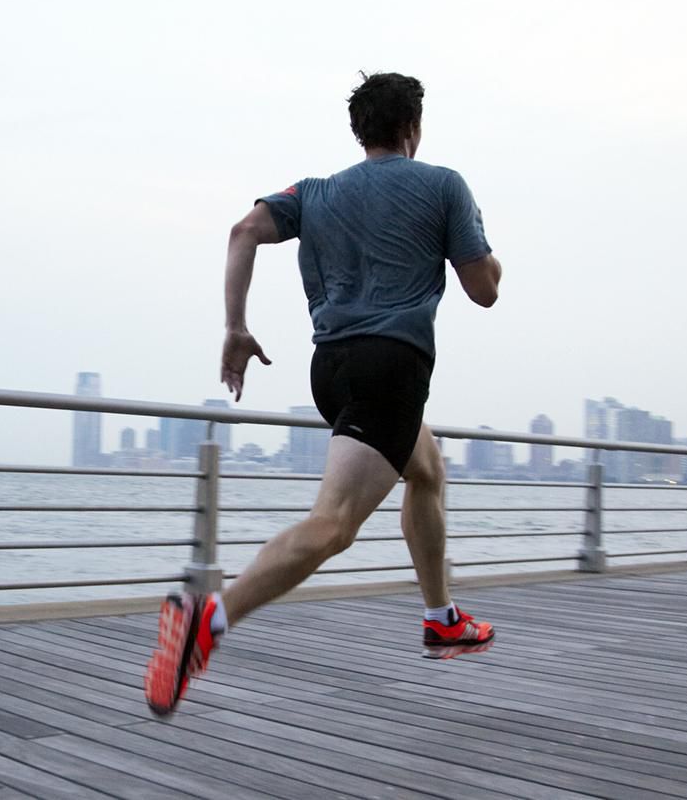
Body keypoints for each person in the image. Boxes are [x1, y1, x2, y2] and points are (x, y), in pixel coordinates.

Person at [145, 71, 502, 717]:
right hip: (390, 367)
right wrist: (485, 251)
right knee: (333, 525)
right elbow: (484, 290)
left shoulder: (314, 193)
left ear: (359, 130)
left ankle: (442, 618)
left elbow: (243, 232)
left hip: (330, 370)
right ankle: (208, 621)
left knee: (427, 469)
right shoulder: (443, 185)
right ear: (412, 127)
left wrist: (235, 327)